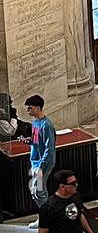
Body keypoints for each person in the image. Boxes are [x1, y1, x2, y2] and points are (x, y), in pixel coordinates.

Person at [26, 94, 57, 224]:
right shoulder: (35, 123)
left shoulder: (47, 125)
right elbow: (36, 141)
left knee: (38, 192)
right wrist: (28, 141)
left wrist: (41, 165)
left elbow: (49, 148)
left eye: (30, 108)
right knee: (36, 191)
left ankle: (49, 218)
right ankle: (45, 217)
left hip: (42, 163)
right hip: (35, 161)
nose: (28, 111)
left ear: (38, 108)